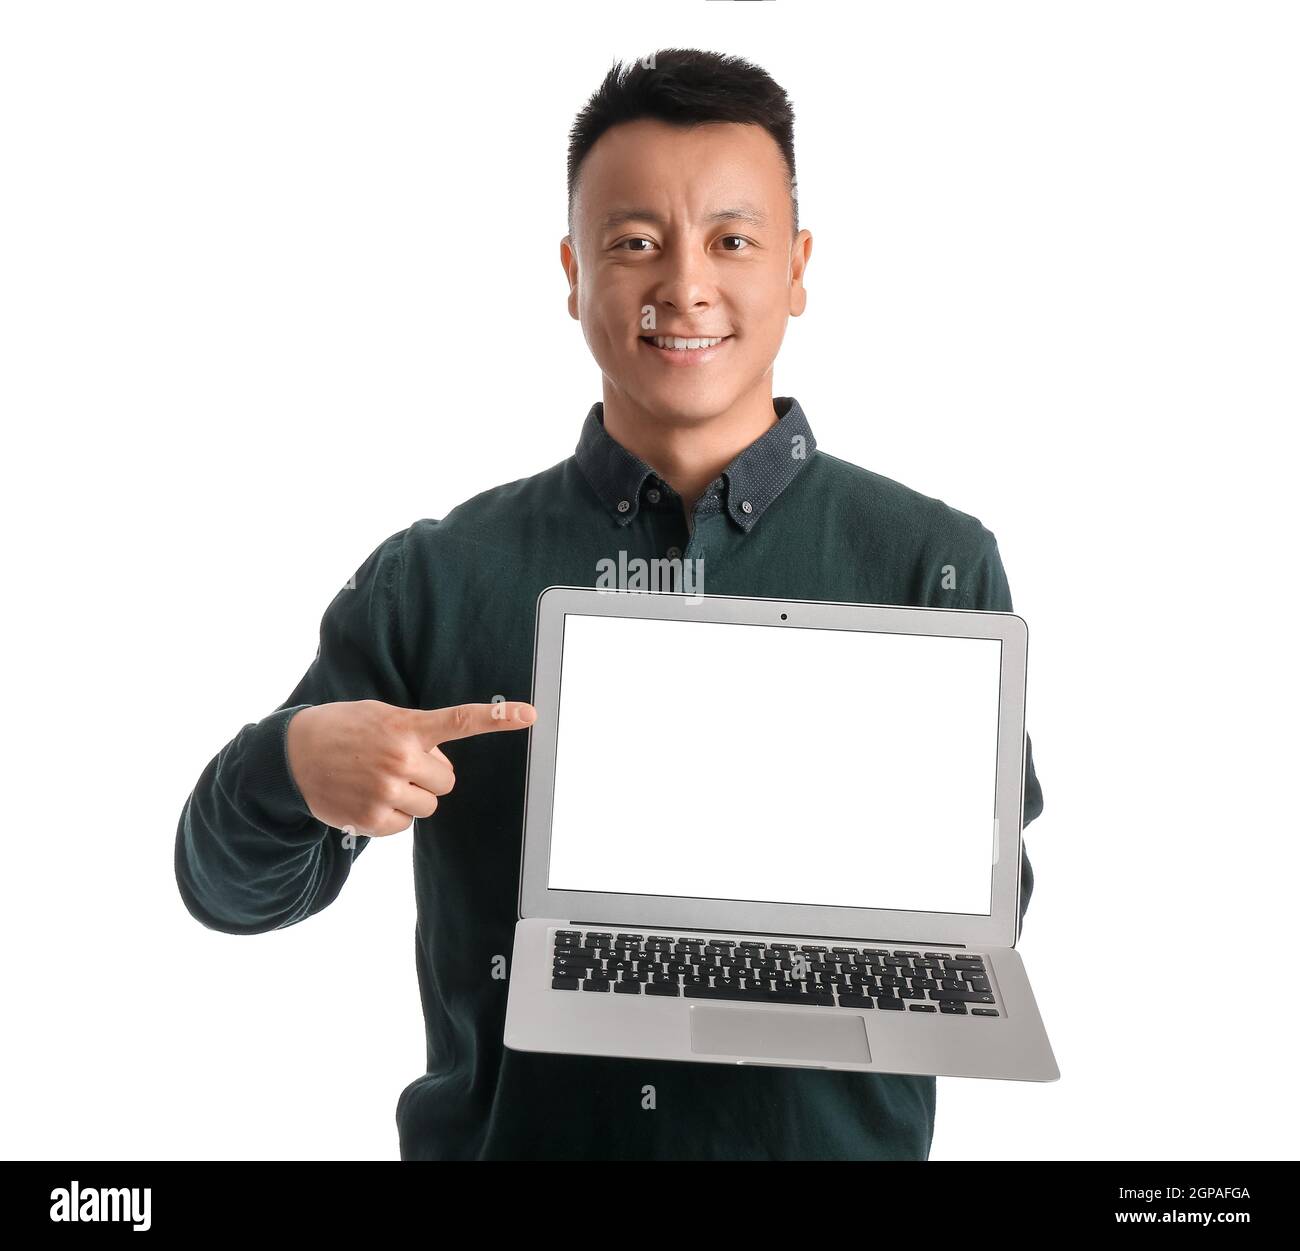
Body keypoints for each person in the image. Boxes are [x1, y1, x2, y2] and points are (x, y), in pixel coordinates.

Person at [175, 47, 1044, 1161]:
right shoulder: (441, 577)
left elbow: (995, 904)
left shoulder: (932, 561)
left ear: (797, 268)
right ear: (573, 272)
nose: (684, 285)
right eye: (634, 243)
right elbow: (228, 890)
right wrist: (292, 761)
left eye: (733, 240)